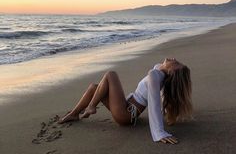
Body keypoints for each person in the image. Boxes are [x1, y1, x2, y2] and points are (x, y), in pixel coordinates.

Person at [59, 58, 193, 144]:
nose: (174, 59)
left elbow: (155, 103)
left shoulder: (155, 76)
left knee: (111, 74)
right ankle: (75, 113)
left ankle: (91, 107)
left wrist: (159, 132)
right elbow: (164, 93)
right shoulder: (158, 71)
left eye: (176, 63)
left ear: (171, 72)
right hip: (127, 106)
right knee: (94, 87)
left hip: (126, 114)